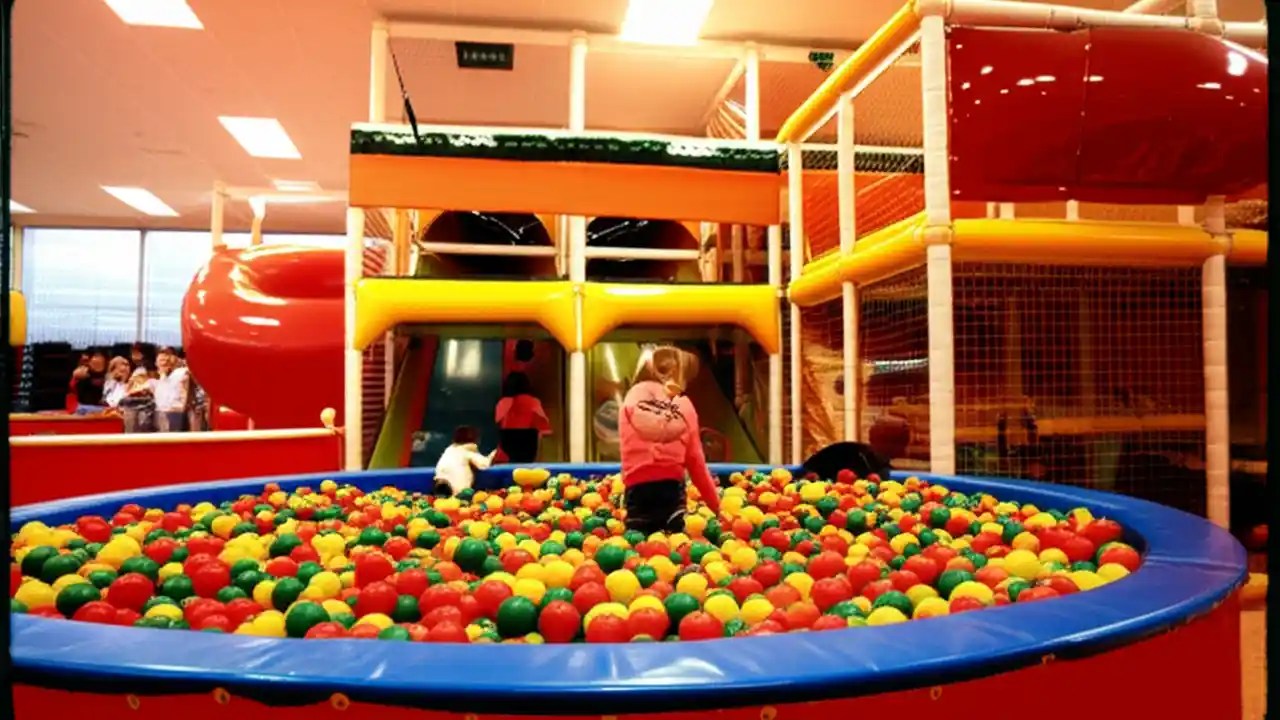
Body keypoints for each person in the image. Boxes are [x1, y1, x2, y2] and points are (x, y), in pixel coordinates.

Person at [619, 345, 720, 535]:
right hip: (671, 488)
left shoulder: (631, 400)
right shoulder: (684, 406)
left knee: (637, 540)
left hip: (638, 489)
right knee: (675, 543)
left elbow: (627, 451)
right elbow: (696, 462)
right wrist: (717, 507)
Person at [494, 371, 551, 463]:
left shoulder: (503, 402)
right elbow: (541, 421)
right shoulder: (532, 401)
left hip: (507, 436)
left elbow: (498, 420)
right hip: (528, 437)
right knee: (526, 465)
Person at [433, 426, 496, 497]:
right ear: (476, 439)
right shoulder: (467, 451)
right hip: (459, 493)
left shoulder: (448, 451)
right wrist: (495, 453)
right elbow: (484, 465)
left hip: (439, 491)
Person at [153, 346, 189, 432]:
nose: (165, 358)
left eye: (168, 354)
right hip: (159, 415)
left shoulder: (182, 372)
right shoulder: (158, 379)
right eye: (162, 354)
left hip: (176, 415)